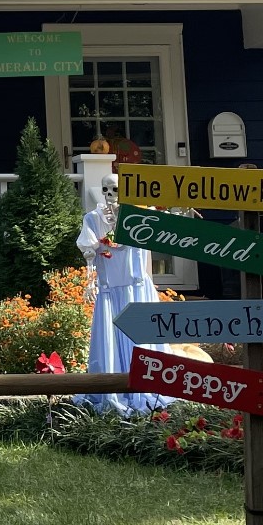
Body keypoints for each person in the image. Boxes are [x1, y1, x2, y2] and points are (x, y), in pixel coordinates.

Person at [75, 173, 174, 415]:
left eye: (115, 190)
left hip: (138, 289)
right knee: (110, 340)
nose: (110, 195)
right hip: (110, 291)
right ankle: (112, 389)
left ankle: (150, 388)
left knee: (145, 342)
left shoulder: (140, 217)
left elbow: (163, 235)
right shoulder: (93, 219)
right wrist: (90, 282)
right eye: (106, 190)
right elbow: (90, 256)